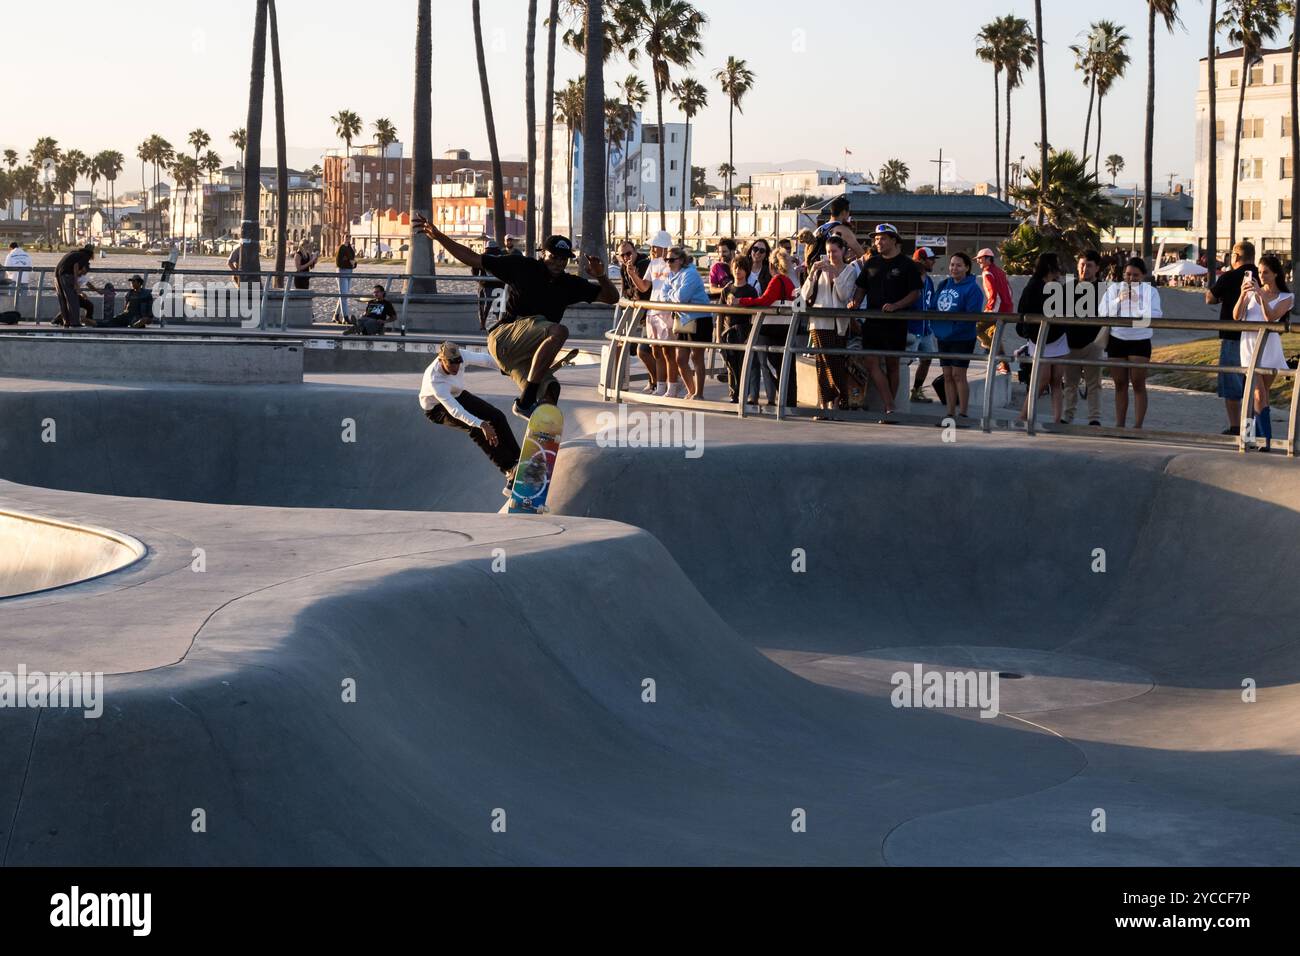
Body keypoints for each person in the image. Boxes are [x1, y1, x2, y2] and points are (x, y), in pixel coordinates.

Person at [414, 216, 617, 417]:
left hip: (525, 358)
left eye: (563, 259)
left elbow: (611, 297)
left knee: (551, 391)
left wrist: (600, 275)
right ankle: (527, 400)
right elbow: (473, 258)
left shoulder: (570, 284)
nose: (558, 263)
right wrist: (440, 237)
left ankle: (536, 424)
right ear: (543, 254)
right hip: (505, 338)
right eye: (553, 257)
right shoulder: (523, 267)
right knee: (558, 331)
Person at [419, 341, 522, 493]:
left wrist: (511, 371)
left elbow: (487, 360)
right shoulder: (435, 380)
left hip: (458, 395)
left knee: (497, 416)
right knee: (476, 429)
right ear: (441, 360)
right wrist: (481, 424)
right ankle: (509, 469)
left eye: (458, 362)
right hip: (437, 408)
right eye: (451, 363)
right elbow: (455, 411)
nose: (456, 367)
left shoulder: (461, 355)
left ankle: (519, 460)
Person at [845, 223, 923, 416]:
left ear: (895, 241)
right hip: (873, 321)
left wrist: (897, 305)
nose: (878, 242)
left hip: (896, 323)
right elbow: (861, 287)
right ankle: (890, 405)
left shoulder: (907, 265)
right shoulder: (872, 263)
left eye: (883, 238)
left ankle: (890, 407)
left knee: (892, 365)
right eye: (876, 239)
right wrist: (855, 302)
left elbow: (915, 293)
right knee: (871, 362)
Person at [1234, 253, 1291, 451]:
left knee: (1261, 394)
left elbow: (1271, 318)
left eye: (1266, 272)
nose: (1262, 276)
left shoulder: (1286, 297)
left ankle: (1250, 437)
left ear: (1275, 274)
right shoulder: (1250, 293)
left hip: (1269, 348)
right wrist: (1243, 295)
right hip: (1249, 346)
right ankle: (1263, 439)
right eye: (1259, 272)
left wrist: (1260, 296)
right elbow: (1237, 316)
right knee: (1256, 393)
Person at [1206, 241, 1259, 436]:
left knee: (1232, 386)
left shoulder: (1228, 277)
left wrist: (1223, 297)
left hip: (1232, 337)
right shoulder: (1260, 276)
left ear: (1235, 257)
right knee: (1253, 387)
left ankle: (1237, 428)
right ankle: (1251, 431)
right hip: (1256, 338)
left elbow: (1209, 298)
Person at [1102, 256, 1161, 430]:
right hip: (1117, 339)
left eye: (1135, 275)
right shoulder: (1114, 289)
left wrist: (1138, 304)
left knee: (1138, 383)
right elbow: (1103, 312)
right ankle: (1119, 424)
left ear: (1142, 276)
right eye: (1128, 274)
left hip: (1140, 339)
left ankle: (1137, 426)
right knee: (1119, 383)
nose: (1130, 279)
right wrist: (1119, 300)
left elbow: (1157, 315)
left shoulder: (1150, 292)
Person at [738, 245, 800, 406]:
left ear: (772, 266)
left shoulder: (777, 280)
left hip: (772, 328)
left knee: (772, 362)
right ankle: (789, 400)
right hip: (786, 327)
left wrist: (742, 301)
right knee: (786, 365)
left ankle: (784, 398)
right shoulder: (789, 281)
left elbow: (764, 300)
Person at [928, 252, 986, 422]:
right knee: (947, 375)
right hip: (944, 337)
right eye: (952, 264)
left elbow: (972, 315)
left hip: (962, 338)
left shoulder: (973, 288)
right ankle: (950, 412)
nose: (954, 268)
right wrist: (937, 327)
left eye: (959, 265)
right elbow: (934, 307)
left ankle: (964, 413)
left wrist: (953, 329)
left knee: (959, 375)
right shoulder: (945, 284)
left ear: (967, 268)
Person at [801, 234, 853, 415]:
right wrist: (812, 274)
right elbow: (805, 295)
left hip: (839, 325)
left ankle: (838, 401)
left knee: (836, 363)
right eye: (828, 252)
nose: (831, 256)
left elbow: (844, 296)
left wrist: (835, 277)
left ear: (843, 251)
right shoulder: (819, 270)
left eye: (835, 251)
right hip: (819, 323)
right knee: (822, 364)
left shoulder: (849, 270)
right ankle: (825, 404)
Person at [1016, 253, 1069, 425]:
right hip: (1039, 337)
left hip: (1058, 336)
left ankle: (1057, 419)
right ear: (1049, 267)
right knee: (1042, 380)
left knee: (1056, 380)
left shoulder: (1058, 287)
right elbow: (1023, 309)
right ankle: (1023, 415)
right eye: (1057, 265)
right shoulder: (1033, 286)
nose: (1059, 268)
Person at [1062, 249, 1107, 426]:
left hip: (1093, 344)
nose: (1084, 269)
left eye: (1089, 266)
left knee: (1094, 384)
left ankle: (1094, 418)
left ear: (1097, 268)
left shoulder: (1104, 290)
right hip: (1069, 343)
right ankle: (1068, 416)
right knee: (1069, 384)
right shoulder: (1068, 287)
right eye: (1082, 265)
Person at [665, 245, 713, 399]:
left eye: (671, 260)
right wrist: (674, 294)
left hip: (699, 318)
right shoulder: (671, 274)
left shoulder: (690, 273)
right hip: (682, 319)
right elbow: (663, 295)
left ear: (680, 260)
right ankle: (691, 391)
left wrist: (672, 294)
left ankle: (699, 393)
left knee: (696, 357)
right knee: (680, 359)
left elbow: (681, 297)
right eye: (666, 259)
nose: (668, 263)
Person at [614, 239, 657, 392]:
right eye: (622, 255)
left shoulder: (645, 264)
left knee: (644, 350)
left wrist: (633, 276)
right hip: (640, 314)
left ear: (635, 251)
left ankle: (657, 381)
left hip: (652, 313)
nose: (626, 257)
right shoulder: (624, 268)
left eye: (629, 253)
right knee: (630, 346)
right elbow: (627, 292)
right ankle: (655, 380)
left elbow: (642, 290)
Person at [717, 254, 758, 403]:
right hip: (728, 332)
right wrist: (718, 336)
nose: (737, 271)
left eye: (741, 268)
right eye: (735, 268)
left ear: (746, 270)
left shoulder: (751, 291)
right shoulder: (726, 290)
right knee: (730, 365)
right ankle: (733, 394)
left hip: (744, 332)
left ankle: (743, 394)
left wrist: (751, 335)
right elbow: (720, 314)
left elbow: (754, 315)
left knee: (743, 365)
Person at [907, 247, 939, 404]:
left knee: (927, 359)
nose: (933, 262)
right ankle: (898, 393)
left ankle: (916, 391)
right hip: (912, 327)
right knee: (905, 362)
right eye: (930, 259)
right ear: (920, 260)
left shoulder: (930, 280)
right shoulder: (909, 277)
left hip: (926, 328)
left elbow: (930, 302)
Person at [53, 245, 95, 328]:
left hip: (57, 276)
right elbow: (76, 265)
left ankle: (66, 322)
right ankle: (75, 323)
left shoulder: (74, 253)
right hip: (67, 276)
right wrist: (76, 283)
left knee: (63, 300)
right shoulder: (84, 256)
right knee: (73, 300)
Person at [472, 238, 503, 330]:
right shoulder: (501, 256)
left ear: (486, 248)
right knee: (498, 307)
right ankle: (499, 323)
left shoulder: (482, 257)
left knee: (483, 306)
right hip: (499, 285)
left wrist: (479, 280)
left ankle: (482, 324)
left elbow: (474, 271)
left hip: (485, 285)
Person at [334, 239, 357, 322]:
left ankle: (336, 315)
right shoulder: (341, 248)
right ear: (342, 237)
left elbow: (353, 259)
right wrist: (348, 262)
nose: (348, 237)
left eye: (349, 236)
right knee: (344, 295)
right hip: (342, 271)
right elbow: (338, 263)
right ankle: (346, 317)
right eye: (346, 236)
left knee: (345, 294)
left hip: (349, 271)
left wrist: (354, 264)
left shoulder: (350, 248)